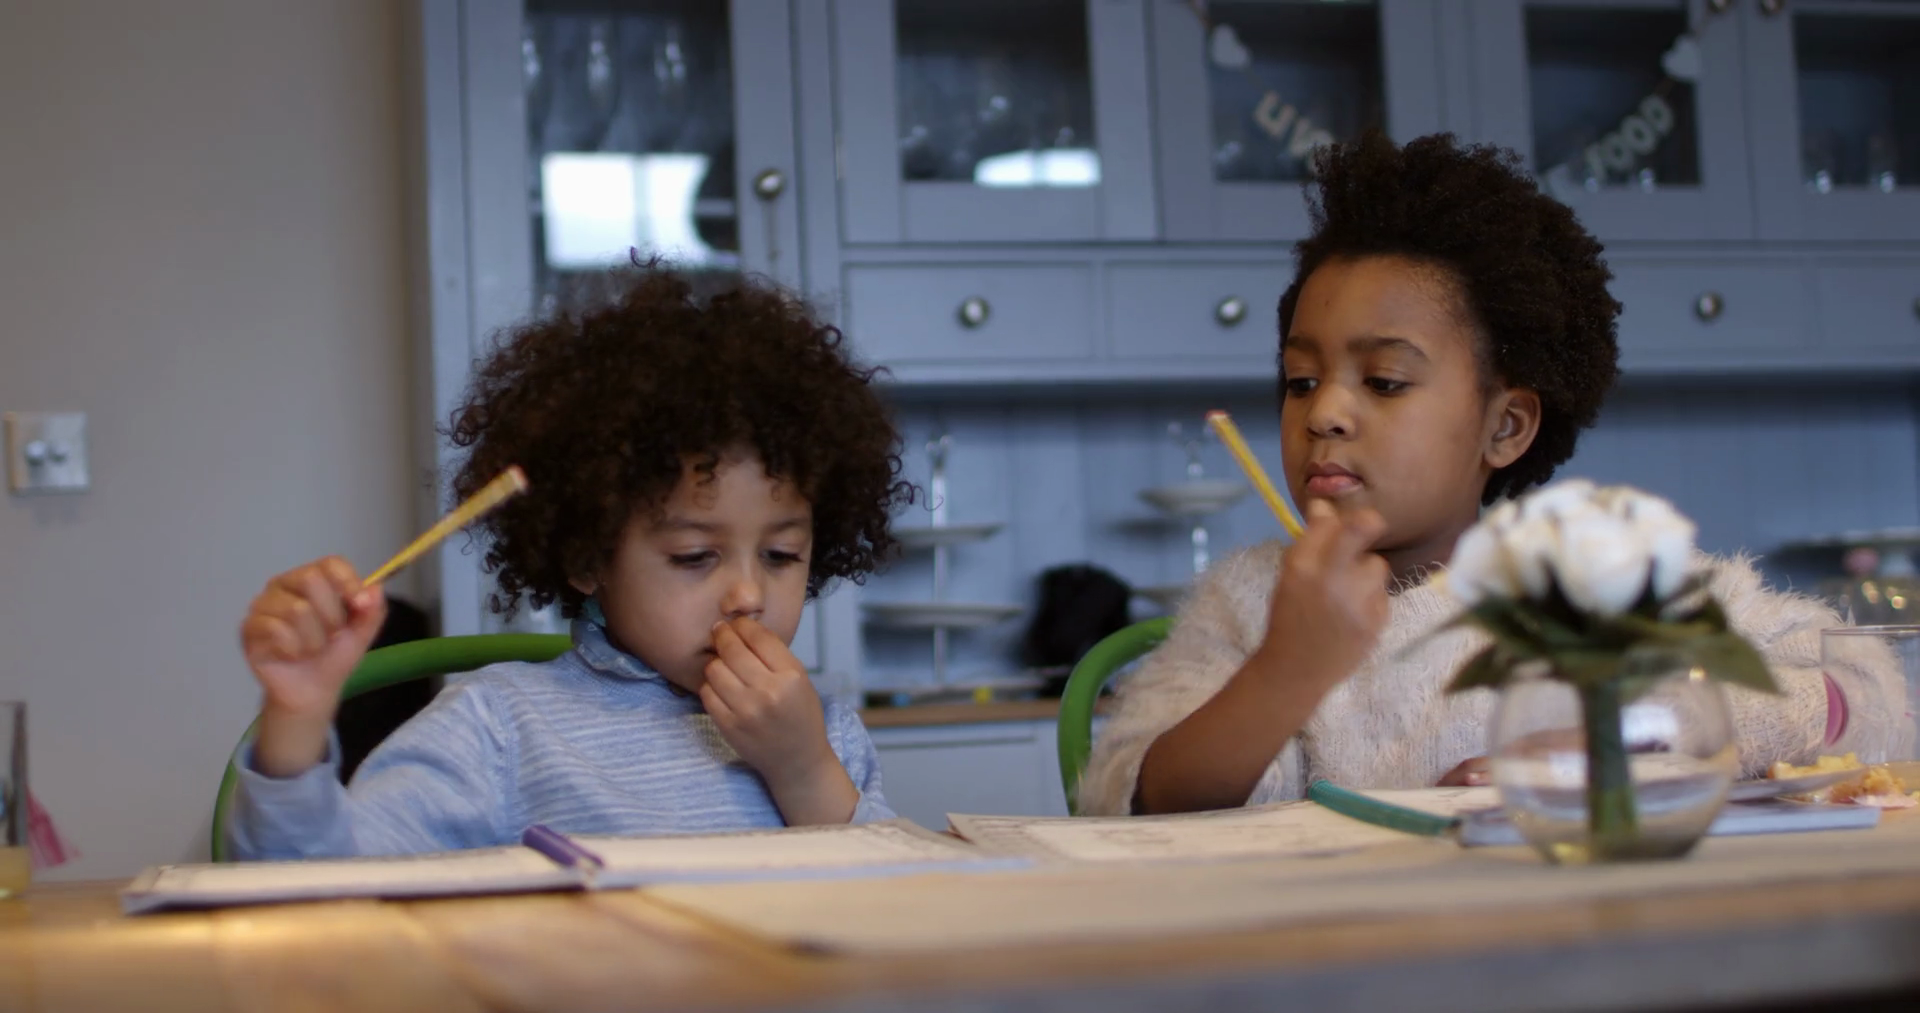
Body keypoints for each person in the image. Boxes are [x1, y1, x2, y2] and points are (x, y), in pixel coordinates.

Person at [1080, 133, 1907, 816]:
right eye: (1301, 379)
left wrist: (1643, 729)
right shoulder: (1251, 602)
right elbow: (1132, 796)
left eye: (1384, 381)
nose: (1324, 411)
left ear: (1504, 426)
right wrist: (1287, 669)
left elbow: (1862, 692)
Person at [228, 263, 914, 858]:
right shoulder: (501, 727)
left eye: (781, 553)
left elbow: (906, 914)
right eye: (695, 554)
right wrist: (298, 718)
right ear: (588, 556)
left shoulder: (821, 731)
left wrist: (803, 769)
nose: (747, 593)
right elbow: (315, 891)